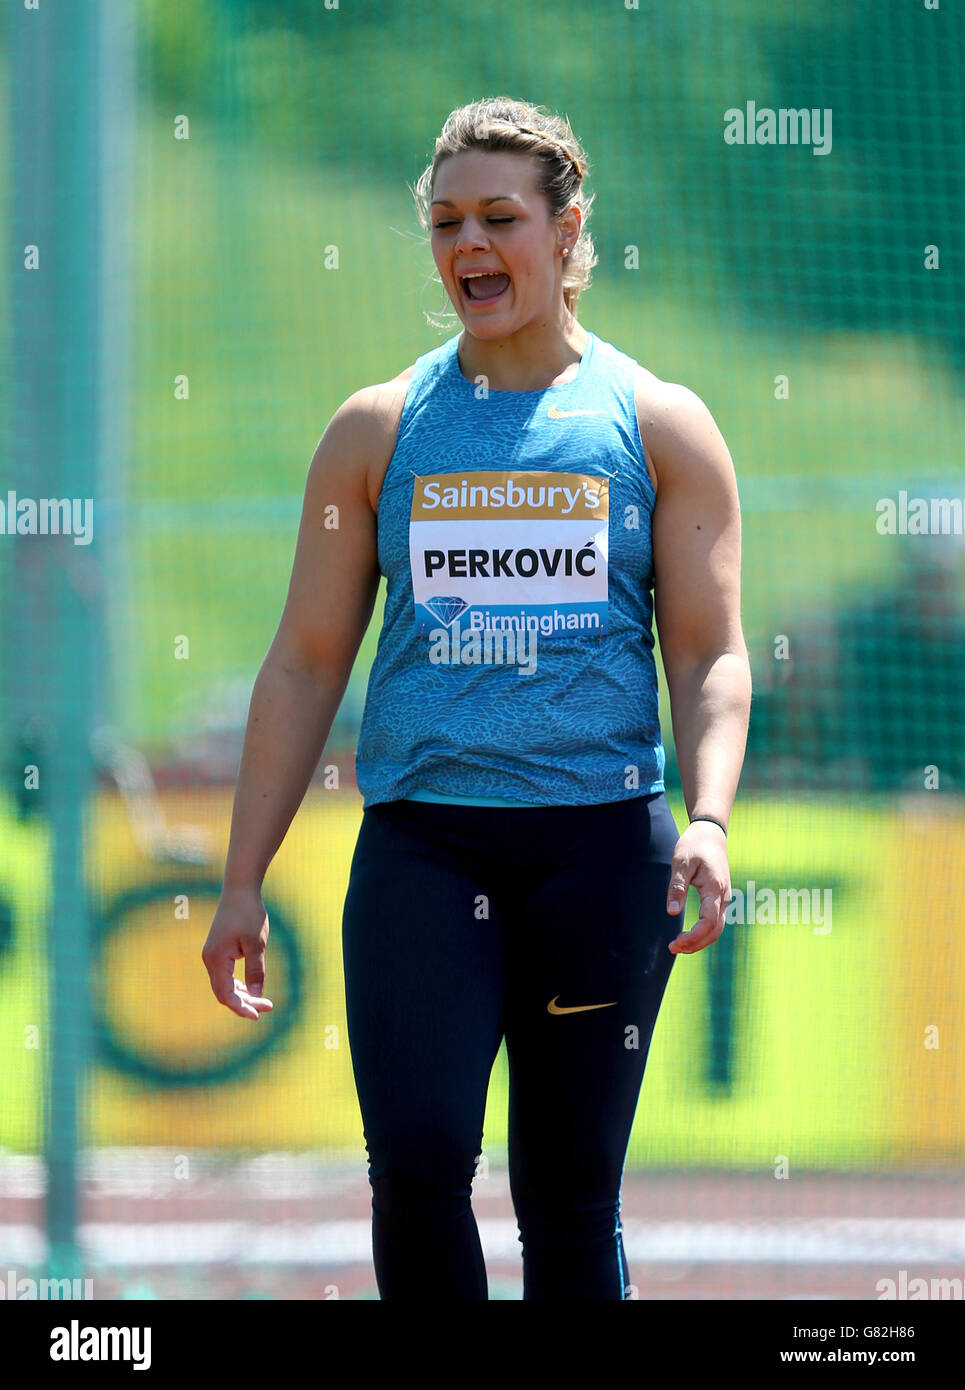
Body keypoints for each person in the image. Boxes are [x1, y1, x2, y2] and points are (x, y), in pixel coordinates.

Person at [202, 96, 752, 1301]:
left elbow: (709, 653)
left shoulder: (657, 426)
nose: (469, 248)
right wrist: (242, 878)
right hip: (422, 850)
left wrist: (706, 818)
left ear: (565, 234)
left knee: (564, 1196)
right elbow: (303, 661)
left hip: (597, 849)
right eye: (446, 222)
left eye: (499, 218)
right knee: (413, 1165)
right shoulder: (377, 430)